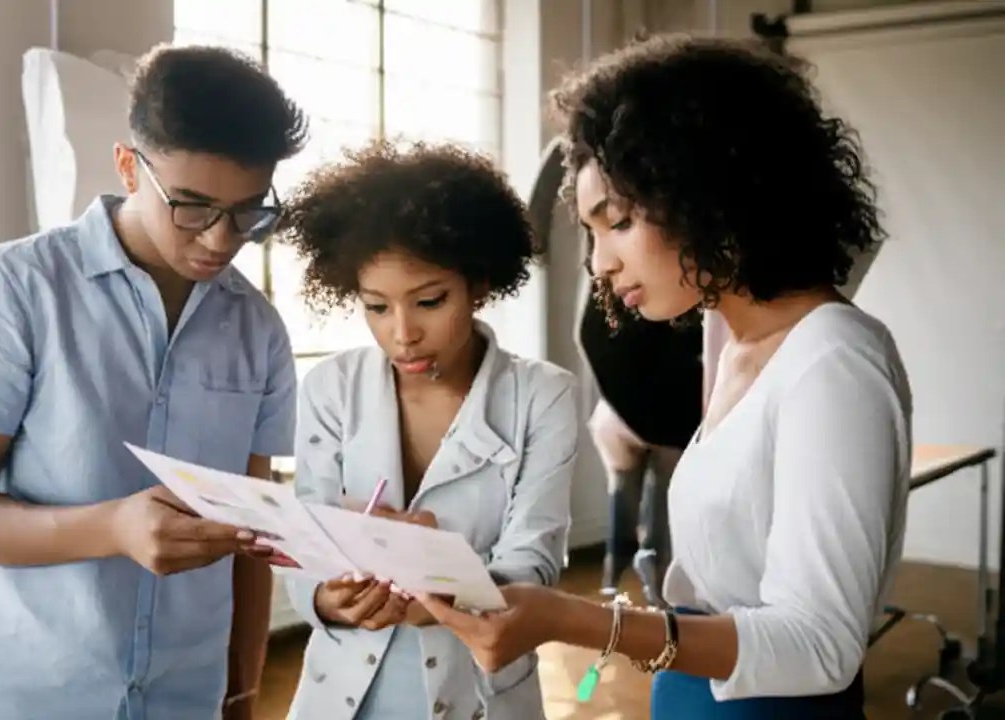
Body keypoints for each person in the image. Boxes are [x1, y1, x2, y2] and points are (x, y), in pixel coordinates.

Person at [418, 34, 912, 719]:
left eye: (616, 222)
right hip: (692, 690)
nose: (599, 264)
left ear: (710, 193)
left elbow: (820, 645)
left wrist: (572, 619)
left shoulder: (834, 359)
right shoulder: (730, 340)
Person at [0, 44, 308, 720]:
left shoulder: (258, 329)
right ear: (129, 166)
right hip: (15, 695)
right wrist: (113, 527)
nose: (220, 239)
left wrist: (240, 695)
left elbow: (248, 540)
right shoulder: (19, 289)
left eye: (247, 213)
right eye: (192, 206)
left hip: (183, 699)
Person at [277, 139, 580, 719]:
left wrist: (435, 578)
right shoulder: (330, 389)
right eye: (377, 307)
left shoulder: (543, 397)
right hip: (341, 694)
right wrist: (327, 598)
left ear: (480, 285)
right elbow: (302, 544)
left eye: (430, 301)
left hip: (482, 693)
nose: (403, 334)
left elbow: (533, 562)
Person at [576, 261, 702, 604]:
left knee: (623, 494)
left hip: (618, 415)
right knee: (662, 499)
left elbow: (590, 336)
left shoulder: (615, 288)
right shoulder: (678, 296)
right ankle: (655, 578)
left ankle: (613, 577)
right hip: (664, 419)